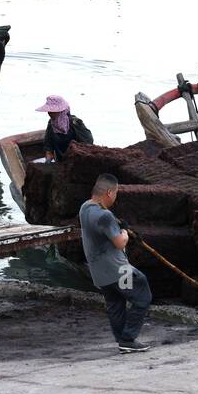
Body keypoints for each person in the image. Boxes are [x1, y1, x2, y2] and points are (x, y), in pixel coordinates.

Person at [79, 174, 152, 353]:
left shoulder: (84, 208)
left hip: (99, 273)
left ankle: (123, 341)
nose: (116, 196)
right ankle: (128, 338)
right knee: (142, 296)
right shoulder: (105, 215)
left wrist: (117, 227)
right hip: (119, 270)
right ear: (109, 192)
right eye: (116, 193)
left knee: (116, 304)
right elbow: (120, 242)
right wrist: (125, 231)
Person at [37, 94, 76, 162]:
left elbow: (88, 142)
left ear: (61, 111)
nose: (49, 113)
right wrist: (49, 154)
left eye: (52, 111)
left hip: (76, 160)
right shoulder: (51, 124)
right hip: (60, 160)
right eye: (49, 111)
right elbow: (48, 143)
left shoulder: (75, 123)